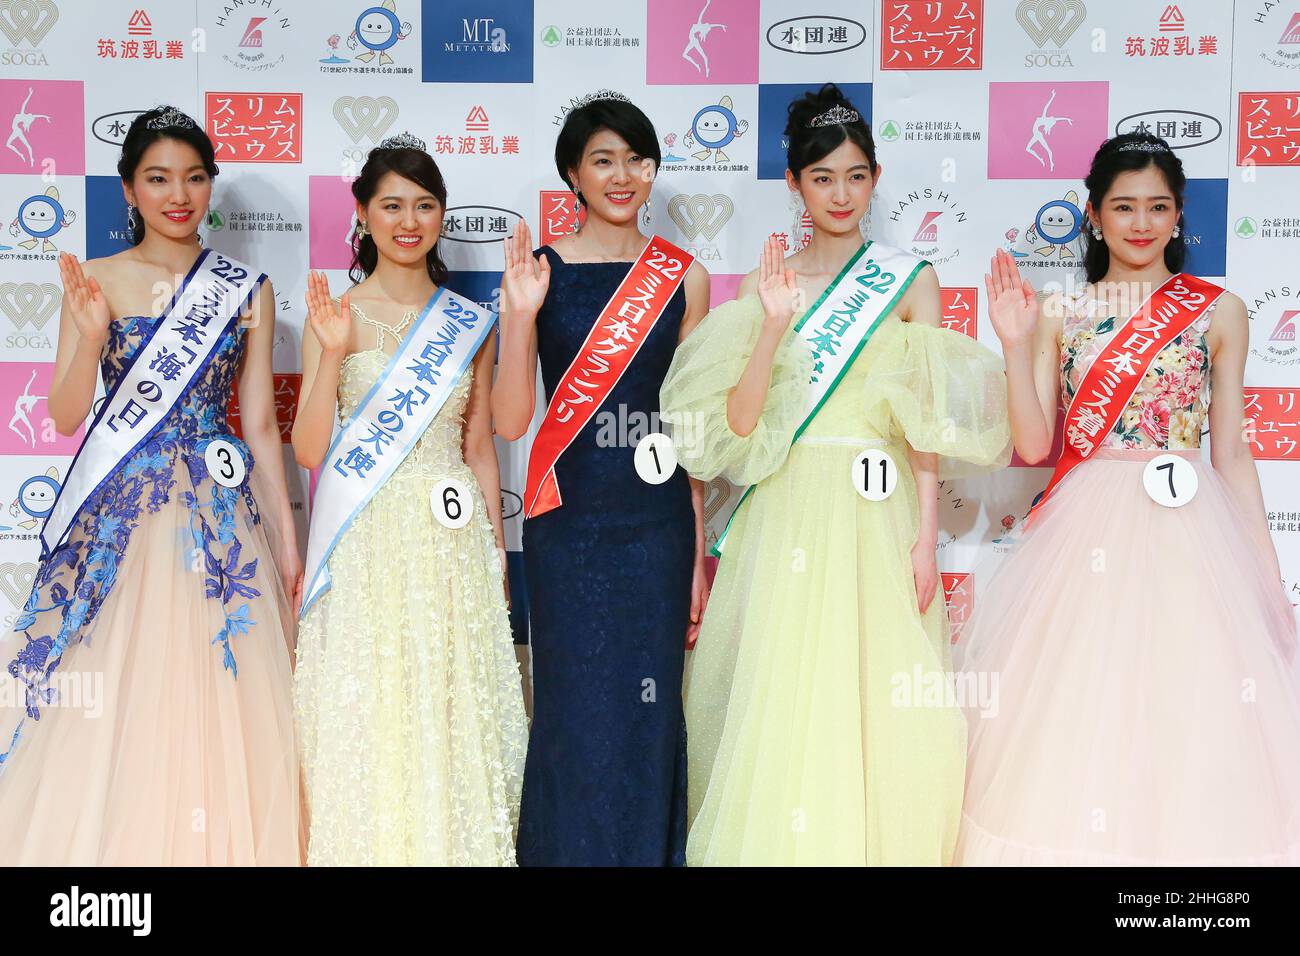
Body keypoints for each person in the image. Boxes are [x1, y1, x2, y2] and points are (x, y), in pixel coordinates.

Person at [659, 83, 1011, 865]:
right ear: (793, 184)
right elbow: (733, 432)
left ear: (876, 179)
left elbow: (924, 427)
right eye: (822, 178)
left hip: (877, 511)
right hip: (786, 504)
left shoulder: (909, 279)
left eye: (855, 175)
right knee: (788, 691)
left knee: (877, 694)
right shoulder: (763, 286)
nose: (840, 193)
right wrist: (771, 326)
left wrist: (925, 538)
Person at [956, 131, 1300, 865]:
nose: (1140, 223)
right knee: (1084, 700)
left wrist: (1269, 577)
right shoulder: (1062, 311)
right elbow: (1030, 441)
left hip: (1190, 525)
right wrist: (1015, 346)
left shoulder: (1221, 311)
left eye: (1158, 207)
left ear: (1179, 217)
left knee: (1190, 695)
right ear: (1093, 214)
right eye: (1123, 206)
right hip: (1089, 524)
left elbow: (1232, 451)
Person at [0, 105, 302, 865]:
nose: (179, 194)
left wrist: (290, 548)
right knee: (119, 687)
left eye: (196, 177)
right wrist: (93, 334)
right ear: (128, 190)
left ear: (211, 187)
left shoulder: (246, 289)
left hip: (218, 515)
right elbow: (67, 415)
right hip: (120, 520)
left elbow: (263, 428)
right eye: (158, 178)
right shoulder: (93, 280)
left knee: (218, 691)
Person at [292, 135, 527, 866]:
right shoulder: (336, 314)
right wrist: (331, 354)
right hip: (366, 540)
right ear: (361, 214)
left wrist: (494, 556)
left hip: (450, 543)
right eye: (391, 204)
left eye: (425, 205)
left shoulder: (469, 321)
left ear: (442, 216)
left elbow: (482, 447)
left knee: (450, 713)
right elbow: (307, 449)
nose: (409, 219)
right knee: (375, 710)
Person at [492, 91, 711, 866]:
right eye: (603, 161)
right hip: (567, 521)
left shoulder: (684, 277)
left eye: (636, 160)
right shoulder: (539, 273)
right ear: (572, 177)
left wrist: (696, 549)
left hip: (655, 528)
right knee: (573, 710)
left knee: (649, 715)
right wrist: (518, 317)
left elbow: (687, 426)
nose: (622, 176)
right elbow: (512, 419)